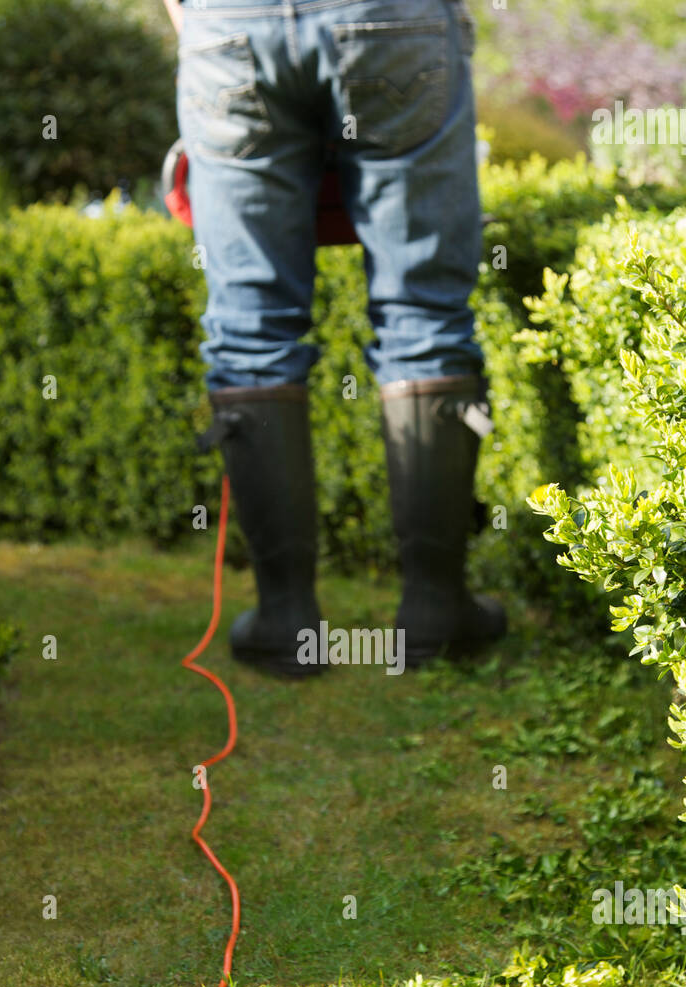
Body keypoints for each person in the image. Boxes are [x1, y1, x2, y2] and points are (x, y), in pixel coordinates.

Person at [167, 0, 506, 675]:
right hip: (390, 18)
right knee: (424, 311)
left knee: (250, 326)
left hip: (231, 23)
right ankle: (434, 614)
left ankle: (286, 623)